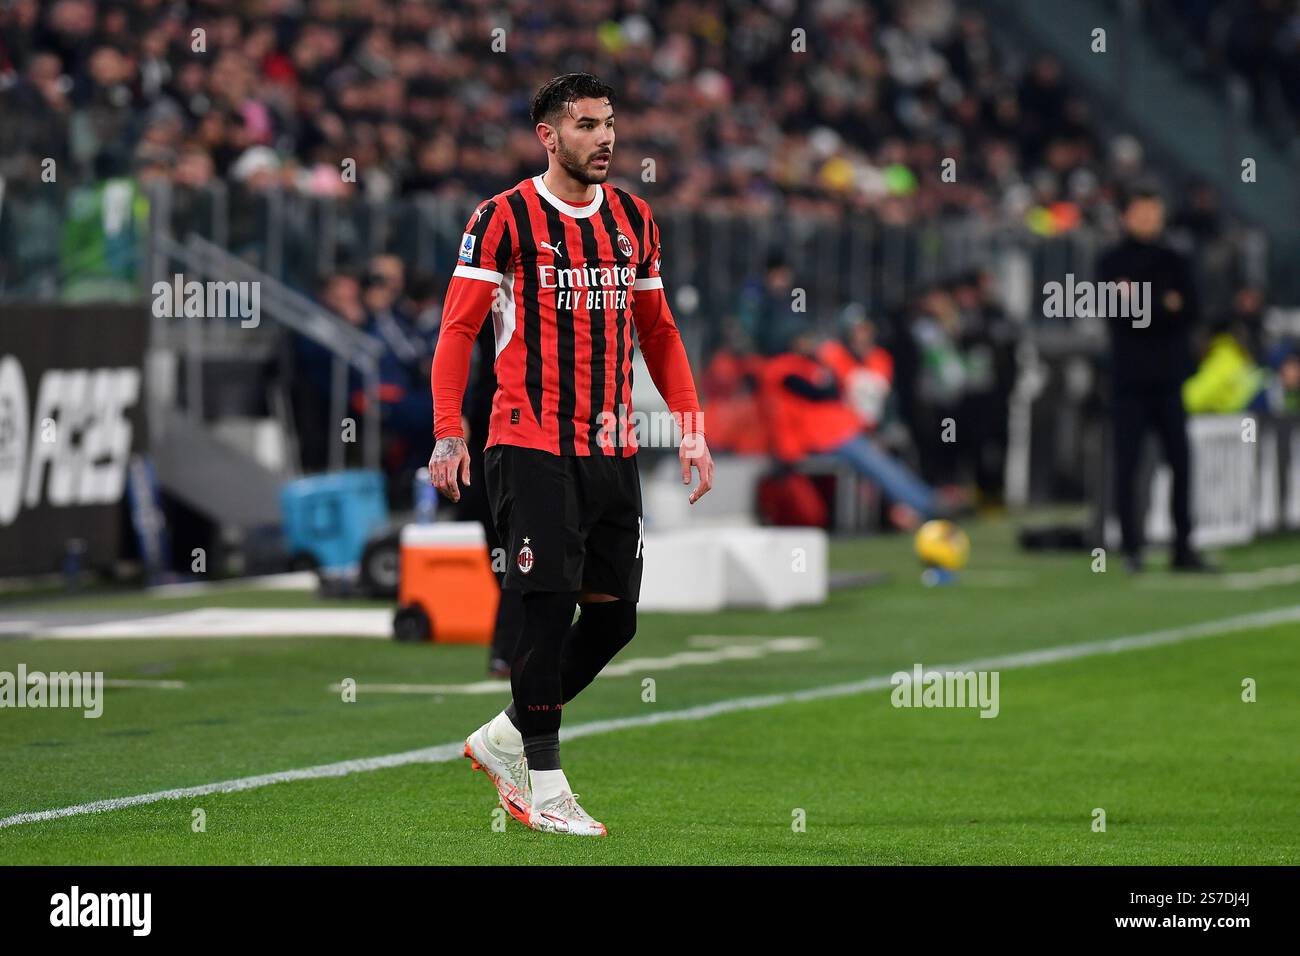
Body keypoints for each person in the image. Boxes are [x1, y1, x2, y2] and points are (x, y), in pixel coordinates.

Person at [428, 73, 713, 836]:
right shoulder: (503, 218)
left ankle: (502, 736)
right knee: (547, 607)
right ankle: (542, 783)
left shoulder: (633, 219)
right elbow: (458, 331)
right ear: (548, 137)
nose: (606, 138)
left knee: (615, 619)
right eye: (587, 125)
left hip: (611, 444)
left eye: (610, 122)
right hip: (529, 439)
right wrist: (449, 427)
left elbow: (658, 331)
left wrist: (689, 422)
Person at [1096, 185, 1212, 573]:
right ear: (1126, 216)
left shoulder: (1175, 259)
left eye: (1154, 213)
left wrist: (1147, 305)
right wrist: (1163, 304)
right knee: (1126, 466)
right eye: (1141, 213)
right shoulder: (1110, 261)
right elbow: (1120, 315)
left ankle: (1184, 547)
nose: (1149, 220)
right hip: (1129, 381)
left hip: (1168, 380)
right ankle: (1132, 548)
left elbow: (1192, 309)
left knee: (1181, 462)